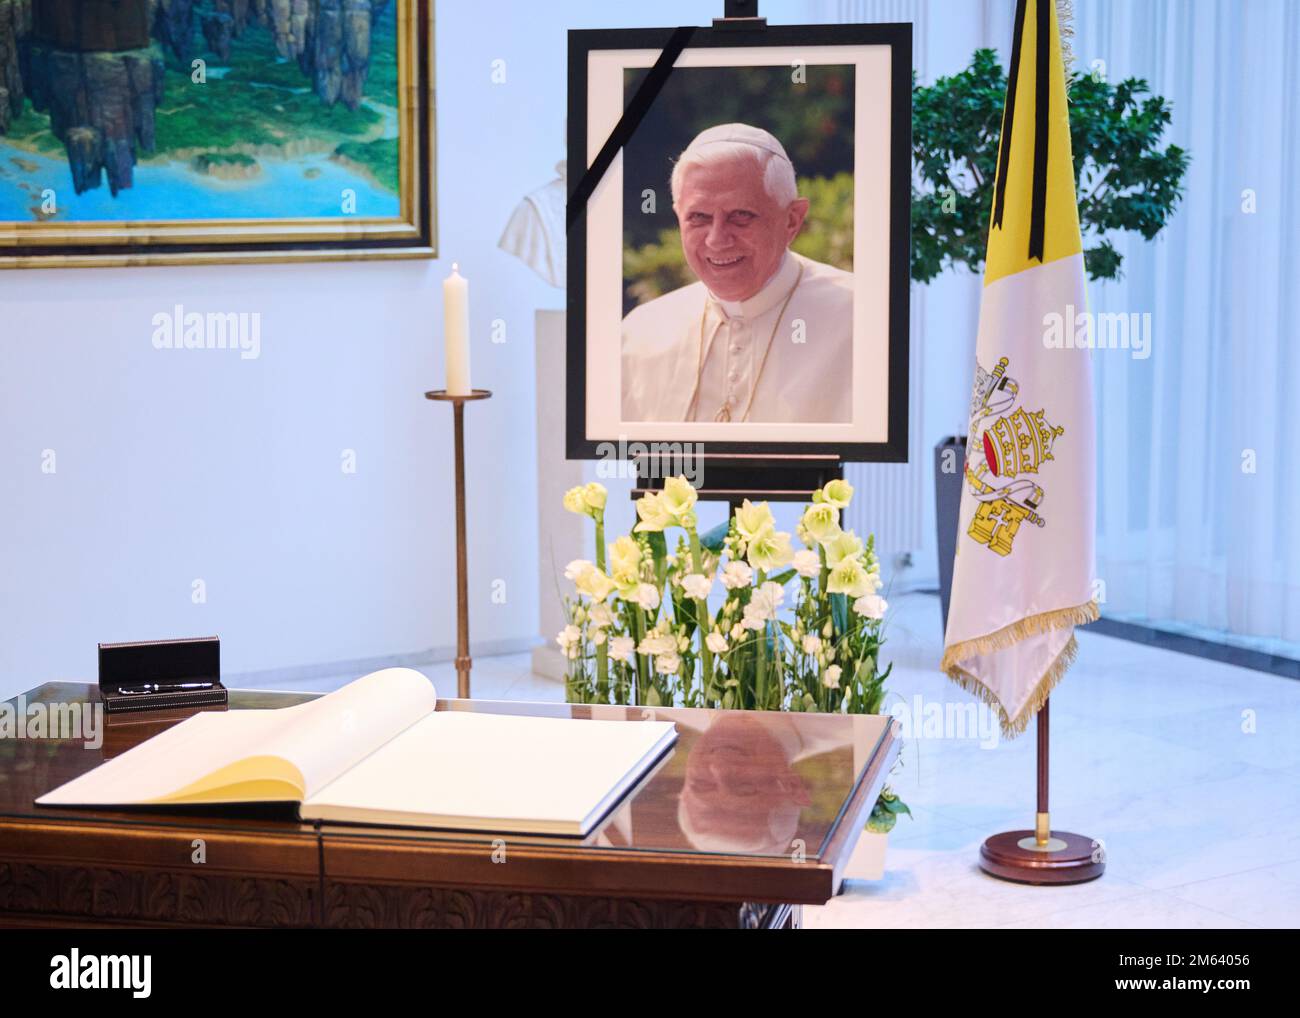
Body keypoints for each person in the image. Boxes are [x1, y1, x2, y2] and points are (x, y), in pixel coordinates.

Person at [621, 123, 854, 423]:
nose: (717, 239)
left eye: (741, 216)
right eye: (699, 217)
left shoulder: (859, 319)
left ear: (792, 221)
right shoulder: (640, 331)